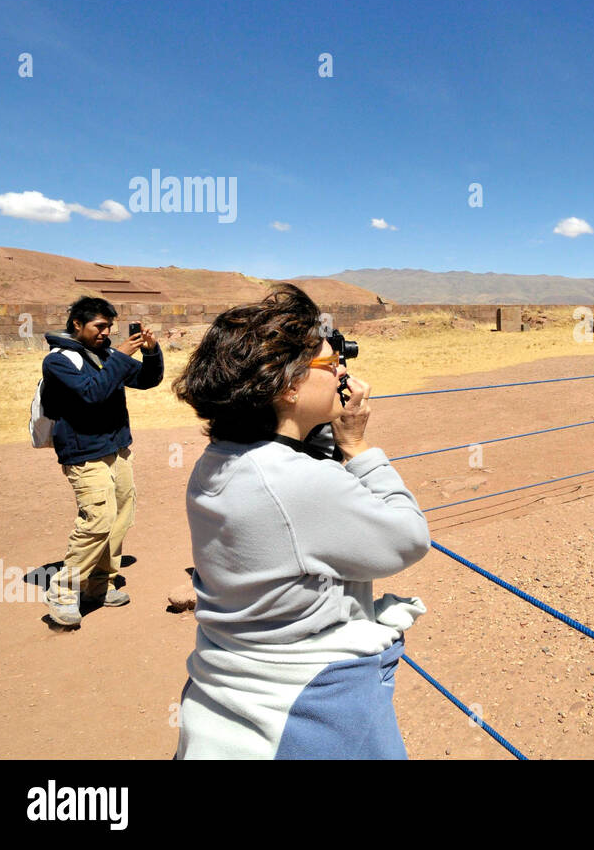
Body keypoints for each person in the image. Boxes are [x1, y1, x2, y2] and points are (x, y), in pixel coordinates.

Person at [171, 284, 430, 759]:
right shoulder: (296, 483)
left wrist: (320, 431)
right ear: (289, 384)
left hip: (231, 687)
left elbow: (293, 489)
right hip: (310, 706)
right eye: (332, 366)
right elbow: (408, 539)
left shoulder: (221, 459)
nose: (343, 375)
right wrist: (357, 448)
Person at [41, 296, 164, 626]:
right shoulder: (58, 361)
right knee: (98, 519)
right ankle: (65, 591)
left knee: (120, 518)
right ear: (78, 325)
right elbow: (92, 393)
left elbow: (147, 380)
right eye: (99, 326)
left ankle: (101, 585)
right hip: (84, 454)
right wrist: (121, 356)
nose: (106, 332)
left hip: (118, 449)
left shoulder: (105, 353)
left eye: (109, 326)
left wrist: (151, 352)